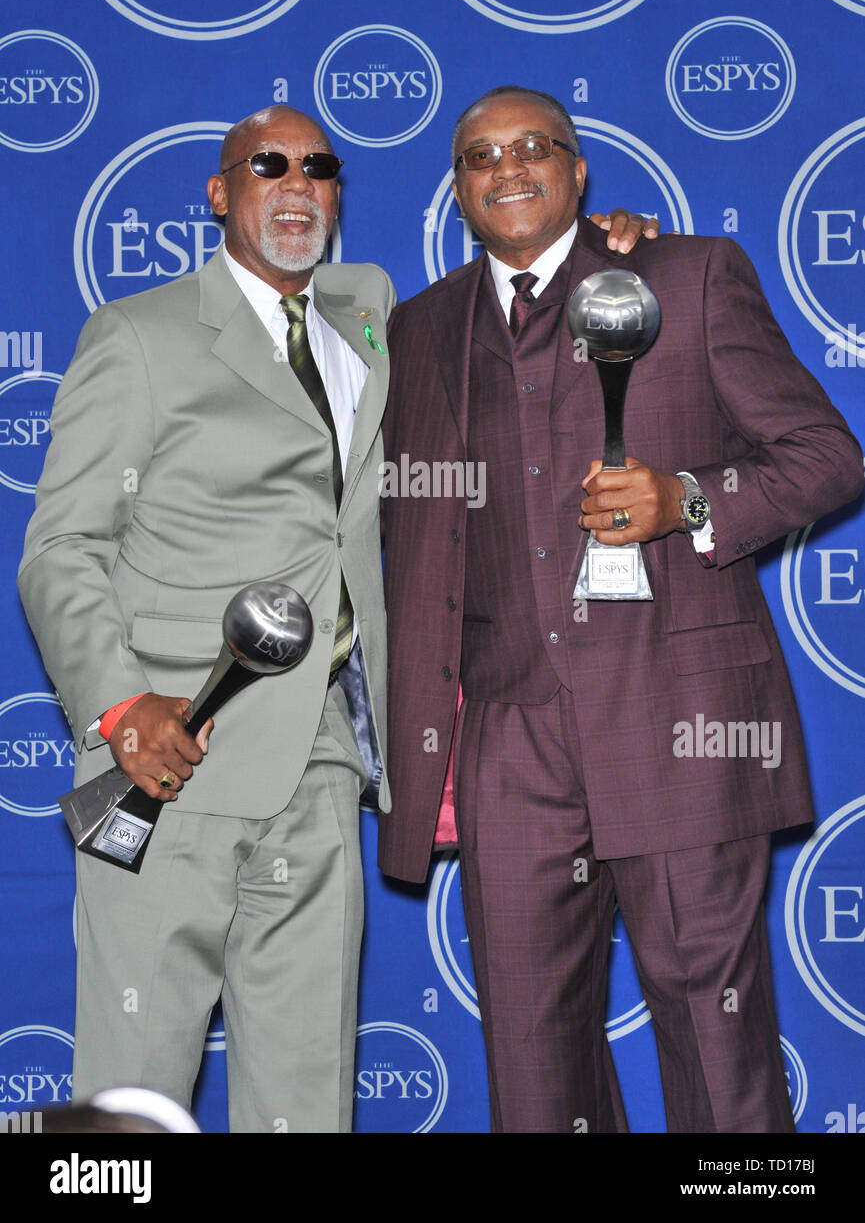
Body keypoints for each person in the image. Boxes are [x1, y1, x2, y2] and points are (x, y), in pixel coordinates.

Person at [377, 85, 864, 1133]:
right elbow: (408, 538)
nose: (506, 169)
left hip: (674, 717)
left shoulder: (685, 277)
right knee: (530, 1062)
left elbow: (829, 456)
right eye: (478, 156)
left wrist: (687, 497)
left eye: (532, 147)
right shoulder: (417, 330)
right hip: (510, 739)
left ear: (578, 169)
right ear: (456, 187)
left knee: (718, 1047)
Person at [18, 105, 396, 1133]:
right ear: (219, 193)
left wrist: (607, 246)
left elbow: (503, 306)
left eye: (318, 167)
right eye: (265, 164)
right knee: (132, 1098)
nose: (295, 183)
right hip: (169, 759)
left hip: (320, 762)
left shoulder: (367, 314)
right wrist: (118, 705)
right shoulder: (139, 334)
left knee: (306, 1099)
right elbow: (60, 550)